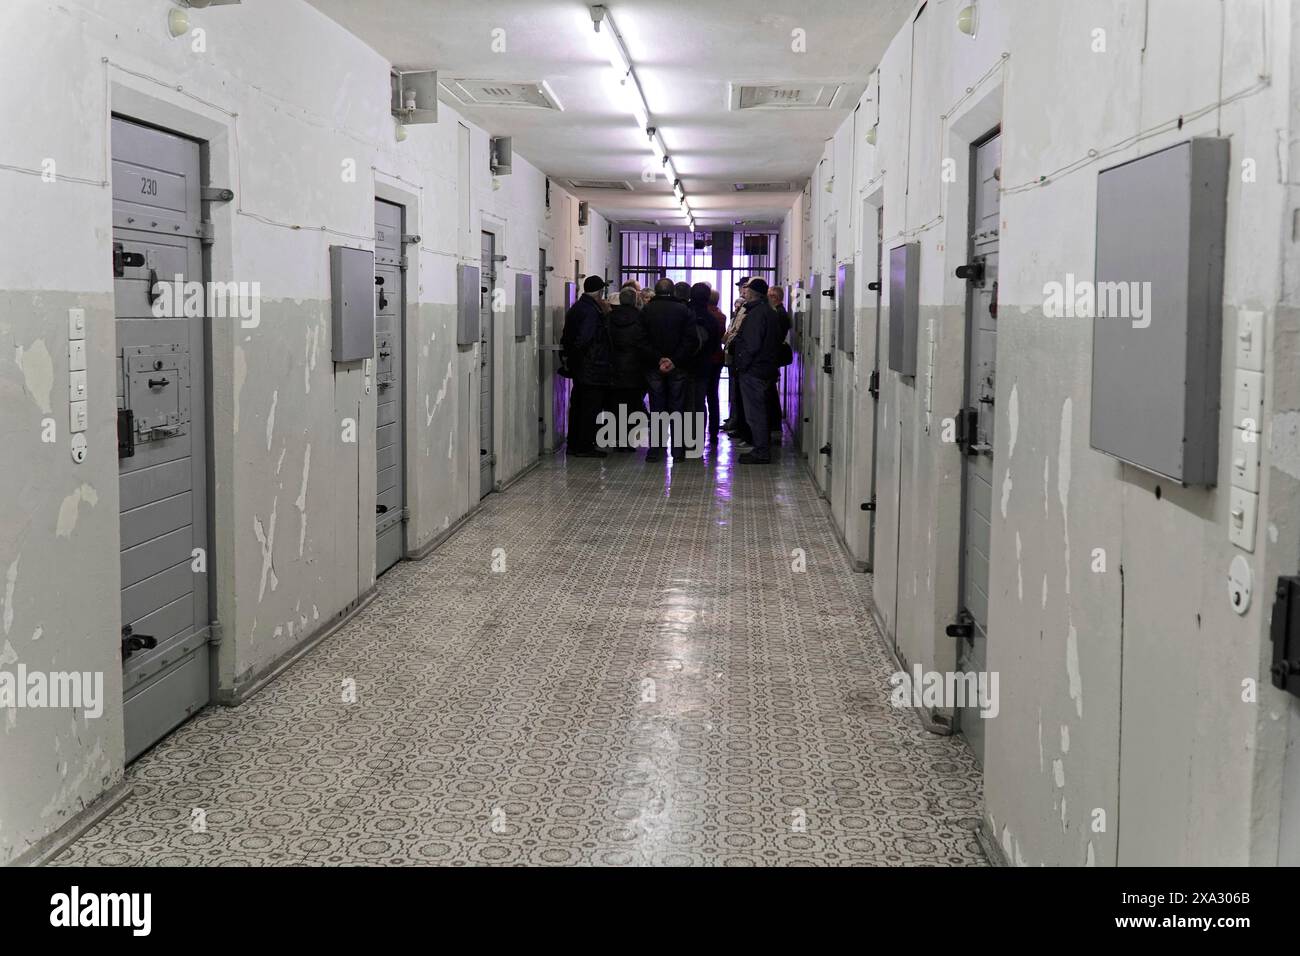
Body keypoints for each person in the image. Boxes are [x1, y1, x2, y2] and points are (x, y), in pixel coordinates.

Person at [640, 277, 695, 461]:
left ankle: (656, 450)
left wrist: (658, 358)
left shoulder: (646, 310)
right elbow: (689, 340)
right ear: (673, 292)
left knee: (657, 407)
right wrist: (673, 360)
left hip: (653, 365)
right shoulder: (684, 311)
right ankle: (678, 452)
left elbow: (641, 340)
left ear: (656, 291)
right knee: (677, 407)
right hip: (678, 367)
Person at [560, 275, 614, 458]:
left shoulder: (577, 307)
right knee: (590, 408)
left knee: (578, 406)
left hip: (580, 368)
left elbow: (567, 336)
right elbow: (585, 338)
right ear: (599, 292)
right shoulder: (591, 311)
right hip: (592, 367)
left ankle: (574, 444)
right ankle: (584, 446)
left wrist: (571, 359)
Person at [729, 278, 780, 464]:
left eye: (747, 290)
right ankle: (761, 447)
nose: (744, 292)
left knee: (755, 412)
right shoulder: (768, 312)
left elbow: (751, 344)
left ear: (753, 293)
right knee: (759, 410)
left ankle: (761, 451)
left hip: (754, 370)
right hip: (764, 368)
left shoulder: (757, 314)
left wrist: (742, 365)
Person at [606, 286, 656, 450]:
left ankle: (616, 440)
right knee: (633, 403)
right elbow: (645, 342)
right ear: (636, 300)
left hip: (614, 366)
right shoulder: (642, 317)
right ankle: (631, 439)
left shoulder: (608, 318)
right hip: (636, 366)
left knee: (615, 403)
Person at [685, 283, 723, 441]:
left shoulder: (685, 313)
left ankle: (686, 437)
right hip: (704, 365)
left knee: (685, 402)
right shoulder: (712, 318)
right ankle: (700, 437)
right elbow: (715, 344)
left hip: (684, 363)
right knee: (701, 401)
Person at [765, 286, 792, 436]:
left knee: (770, 394)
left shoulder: (779, 314)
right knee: (771, 393)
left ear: (775, 298)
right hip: (773, 358)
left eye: (770, 296)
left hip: (772, 358)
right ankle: (774, 426)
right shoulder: (779, 313)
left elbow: (776, 337)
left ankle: (774, 426)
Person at [704, 289, 728, 442]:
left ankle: (699, 430)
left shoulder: (701, 315)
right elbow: (722, 336)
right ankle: (713, 432)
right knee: (713, 396)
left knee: (699, 396)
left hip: (703, 359)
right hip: (717, 358)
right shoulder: (721, 316)